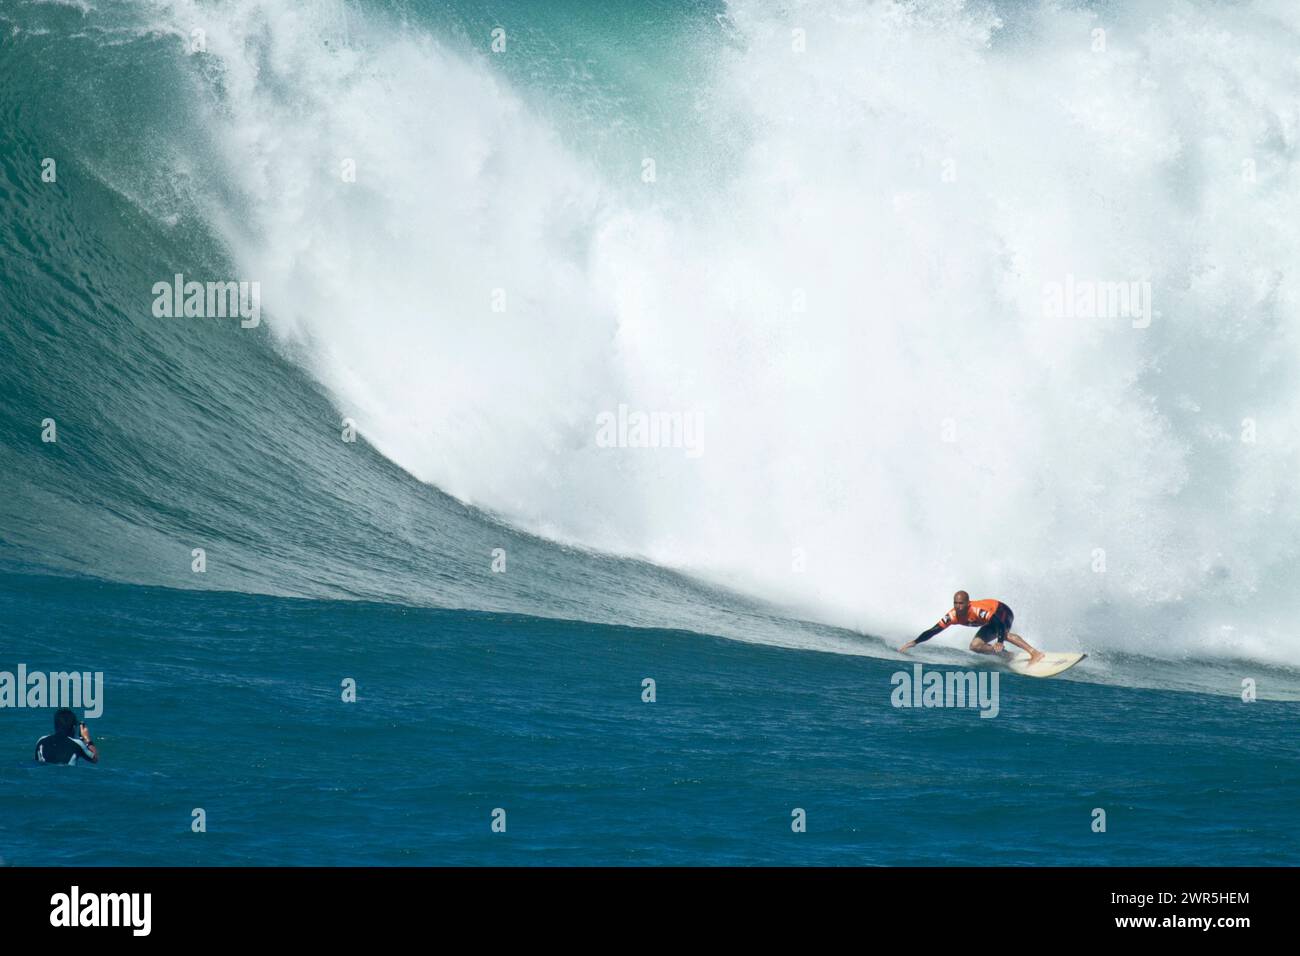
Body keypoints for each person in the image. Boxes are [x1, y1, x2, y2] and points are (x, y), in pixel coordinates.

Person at [898, 590, 1045, 664]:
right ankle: (1007, 655)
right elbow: (934, 630)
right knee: (975, 646)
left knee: (1004, 633)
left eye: (961, 603)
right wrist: (915, 642)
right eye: (955, 603)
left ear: (968, 603)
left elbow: (999, 624)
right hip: (991, 621)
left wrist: (1000, 641)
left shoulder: (977, 611)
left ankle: (1035, 653)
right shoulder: (952, 615)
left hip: (1001, 611)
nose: (958, 606)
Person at [34, 709, 99, 765]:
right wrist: (86, 738)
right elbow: (95, 759)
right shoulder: (77, 744)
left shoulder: (41, 741)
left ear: (56, 726)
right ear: (73, 727)